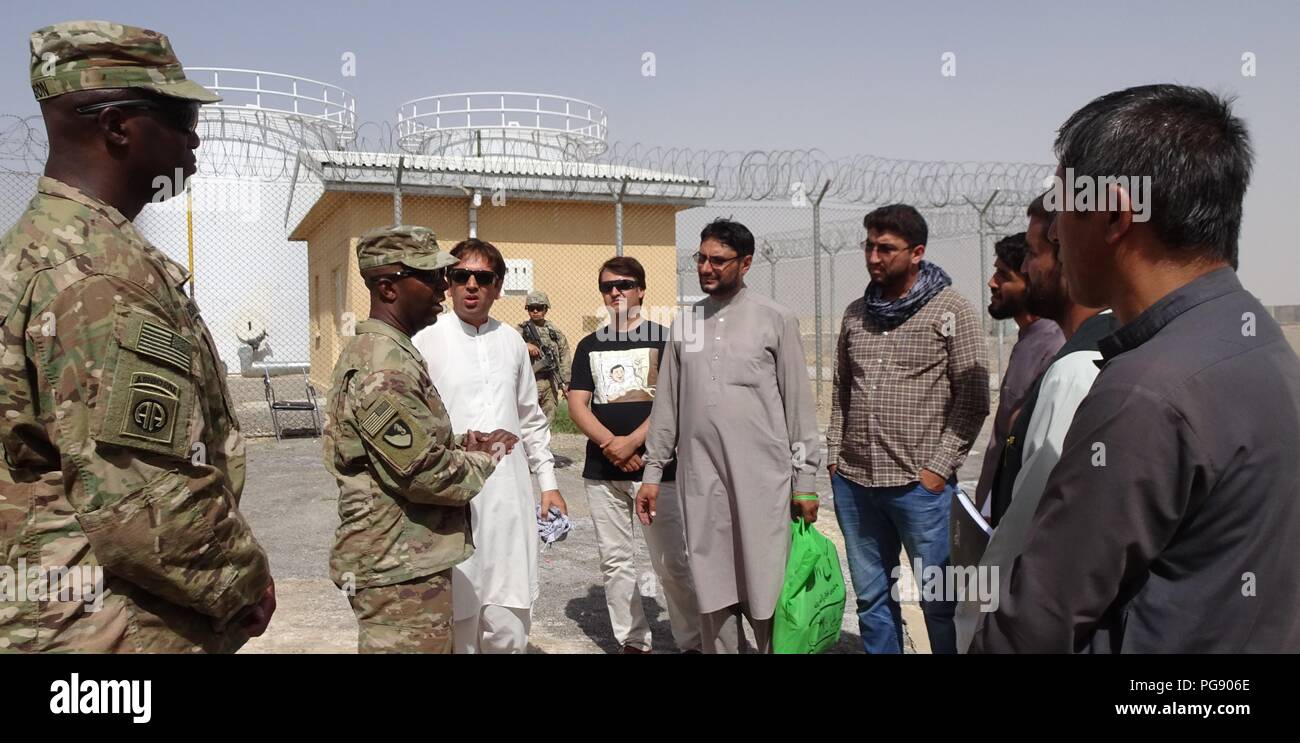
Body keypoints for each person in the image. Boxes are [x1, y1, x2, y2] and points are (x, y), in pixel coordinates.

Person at [973, 84, 1300, 652]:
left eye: (1064, 206)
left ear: (1116, 215)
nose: (1054, 232)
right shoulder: (1255, 340)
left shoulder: (1145, 392)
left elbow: (1032, 629)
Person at [0, 20, 274, 653]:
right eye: (178, 117)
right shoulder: (96, 279)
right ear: (117, 126)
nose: (195, 139)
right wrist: (243, 584)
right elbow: (146, 503)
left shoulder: (42, 251)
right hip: (111, 632)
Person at [636, 219, 822, 654]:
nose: (706, 267)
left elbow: (798, 407)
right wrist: (652, 471)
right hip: (702, 482)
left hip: (763, 482)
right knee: (712, 584)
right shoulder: (685, 324)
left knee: (767, 584)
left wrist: (806, 482)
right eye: (700, 258)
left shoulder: (775, 319)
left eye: (718, 260)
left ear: (746, 263)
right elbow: (667, 407)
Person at [324, 226, 506, 654]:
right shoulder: (383, 366)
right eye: (429, 277)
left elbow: (403, 447)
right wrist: (486, 457)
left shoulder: (392, 351)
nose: (443, 286)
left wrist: (461, 442)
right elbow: (424, 473)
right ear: (388, 287)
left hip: (404, 560)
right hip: (397, 568)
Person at [954, 195, 1116, 652]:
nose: (1024, 268)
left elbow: (1027, 536)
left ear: (1066, 257)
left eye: (1030, 252)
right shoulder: (1101, 346)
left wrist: (974, 623)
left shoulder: (1075, 368)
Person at [827, 203, 989, 654]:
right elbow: (842, 388)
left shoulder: (951, 309)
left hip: (921, 489)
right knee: (873, 598)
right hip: (856, 484)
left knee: (939, 601)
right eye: (869, 246)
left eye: (886, 248)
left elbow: (973, 400)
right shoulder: (857, 313)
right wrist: (835, 457)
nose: (874, 257)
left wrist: (937, 470)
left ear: (917, 252)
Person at [414, 239, 567, 654]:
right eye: (460, 275)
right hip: (450, 500)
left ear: (498, 287)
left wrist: (548, 482)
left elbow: (531, 418)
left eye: (483, 278)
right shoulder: (425, 340)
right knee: (457, 621)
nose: (471, 285)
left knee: (508, 620)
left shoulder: (512, 343)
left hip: (507, 497)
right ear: (447, 282)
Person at [567, 256, 701, 654]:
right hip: (603, 471)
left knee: (671, 561)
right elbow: (577, 405)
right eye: (607, 286)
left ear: (641, 289)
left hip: (658, 470)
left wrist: (635, 443)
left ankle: (692, 641)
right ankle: (632, 640)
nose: (615, 292)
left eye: (624, 284)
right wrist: (612, 444)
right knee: (616, 562)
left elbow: (675, 402)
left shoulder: (666, 338)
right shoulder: (589, 345)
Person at [970, 232, 1063, 513]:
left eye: (1003, 275)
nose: (992, 282)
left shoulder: (1055, 345)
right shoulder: (1029, 339)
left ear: (1029, 282)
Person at [518, 291, 570, 425]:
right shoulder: (521, 330)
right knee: (528, 419)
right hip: (530, 381)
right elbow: (508, 347)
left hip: (551, 381)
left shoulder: (553, 331)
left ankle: (544, 445)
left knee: (549, 417)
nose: (535, 311)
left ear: (546, 309)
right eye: (531, 308)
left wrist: (566, 382)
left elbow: (564, 354)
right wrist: (525, 345)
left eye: (539, 308)